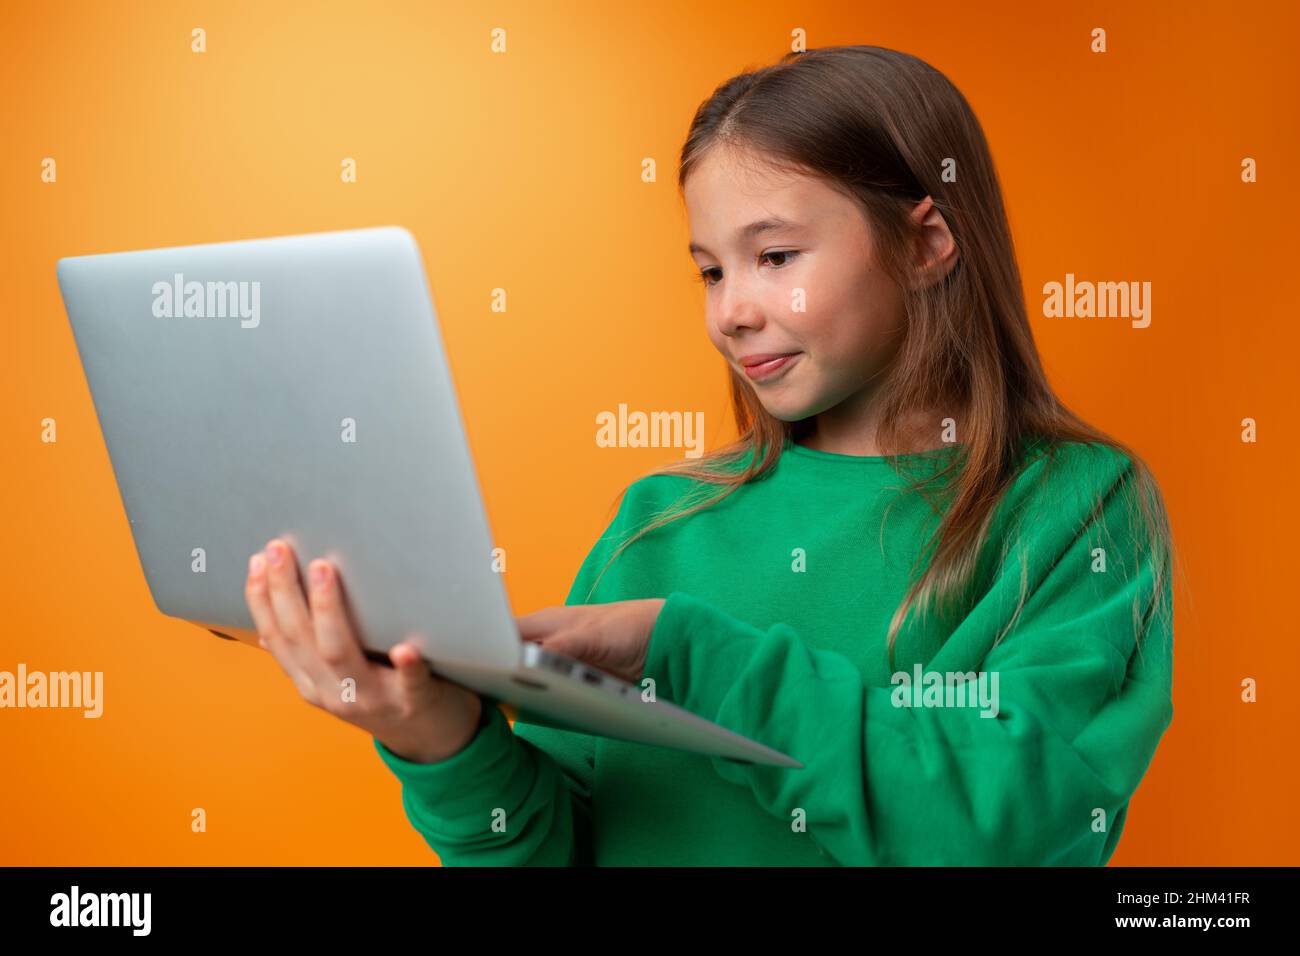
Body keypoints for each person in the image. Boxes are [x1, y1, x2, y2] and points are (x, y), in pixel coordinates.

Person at [244, 45, 1176, 866]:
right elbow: (548, 849)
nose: (730, 309)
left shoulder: (1076, 510)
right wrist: (441, 739)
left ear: (928, 241)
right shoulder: (661, 520)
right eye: (710, 269)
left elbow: (1001, 833)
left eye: (774, 257)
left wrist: (688, 657)